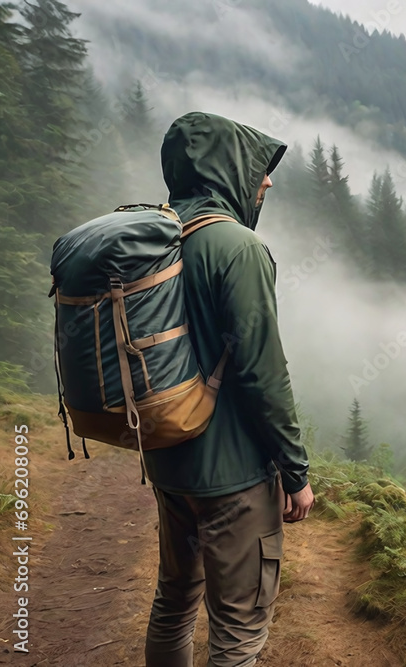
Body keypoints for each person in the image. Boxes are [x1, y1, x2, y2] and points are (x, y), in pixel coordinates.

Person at [143, 111, 314, 667]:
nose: (268, 181)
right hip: (234, 477)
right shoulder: (238, 247)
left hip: (169, 463)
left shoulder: (157, 236)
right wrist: (295, 472)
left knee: (174, 601)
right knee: (238, 629)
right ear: (229, 168)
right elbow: (262, 373)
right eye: (260, 168)